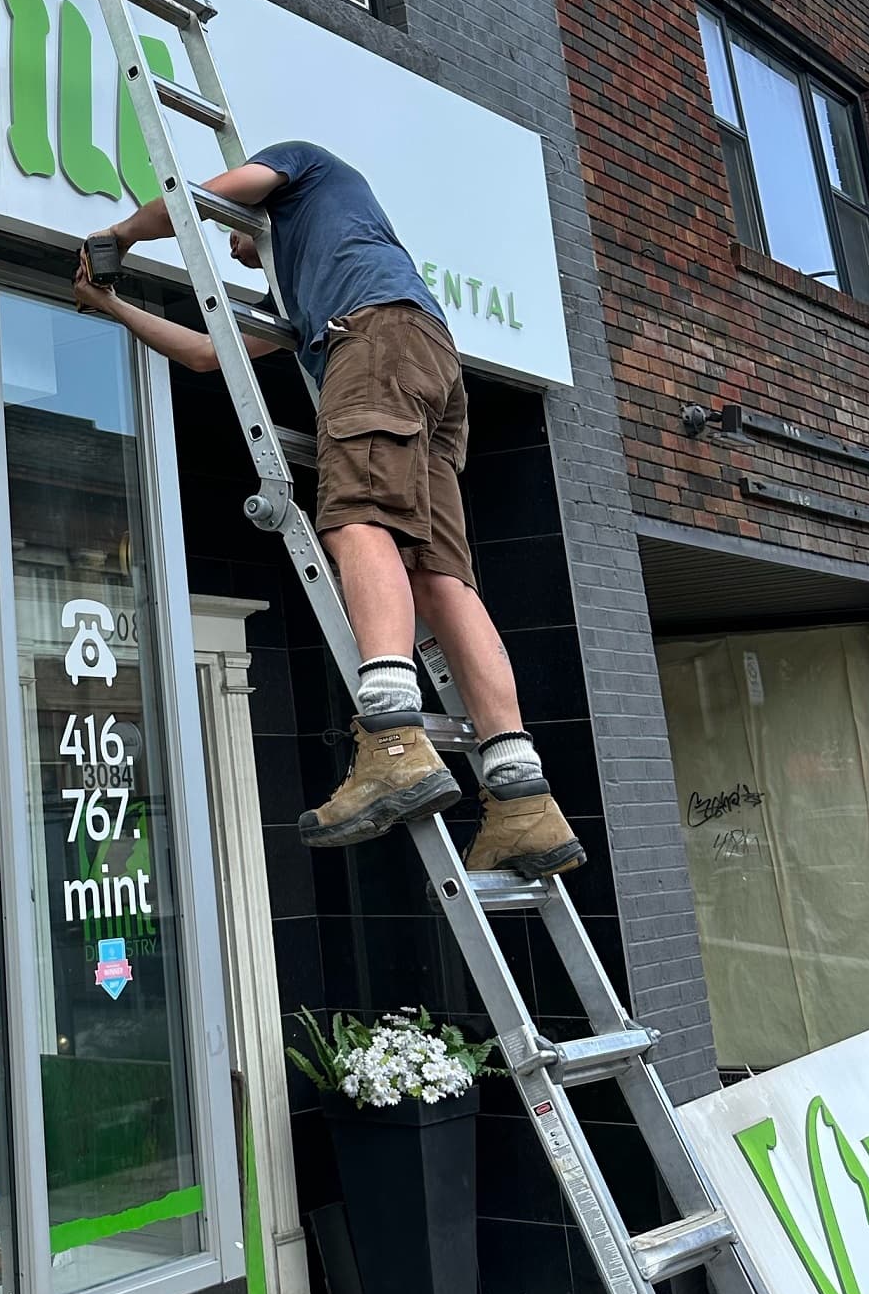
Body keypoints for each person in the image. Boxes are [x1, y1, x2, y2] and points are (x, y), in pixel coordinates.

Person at [77, 140, 584, 878]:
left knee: (355, 520)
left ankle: (391, 740)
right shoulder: (305, 287)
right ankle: (522, 798)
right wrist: (113, 307)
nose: (233, 242)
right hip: (431, 359)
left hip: (375, 342)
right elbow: (205, 354)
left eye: (238, 231)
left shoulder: (305, 167)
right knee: (442, 581)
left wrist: (118, 237)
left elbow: (196, 198)